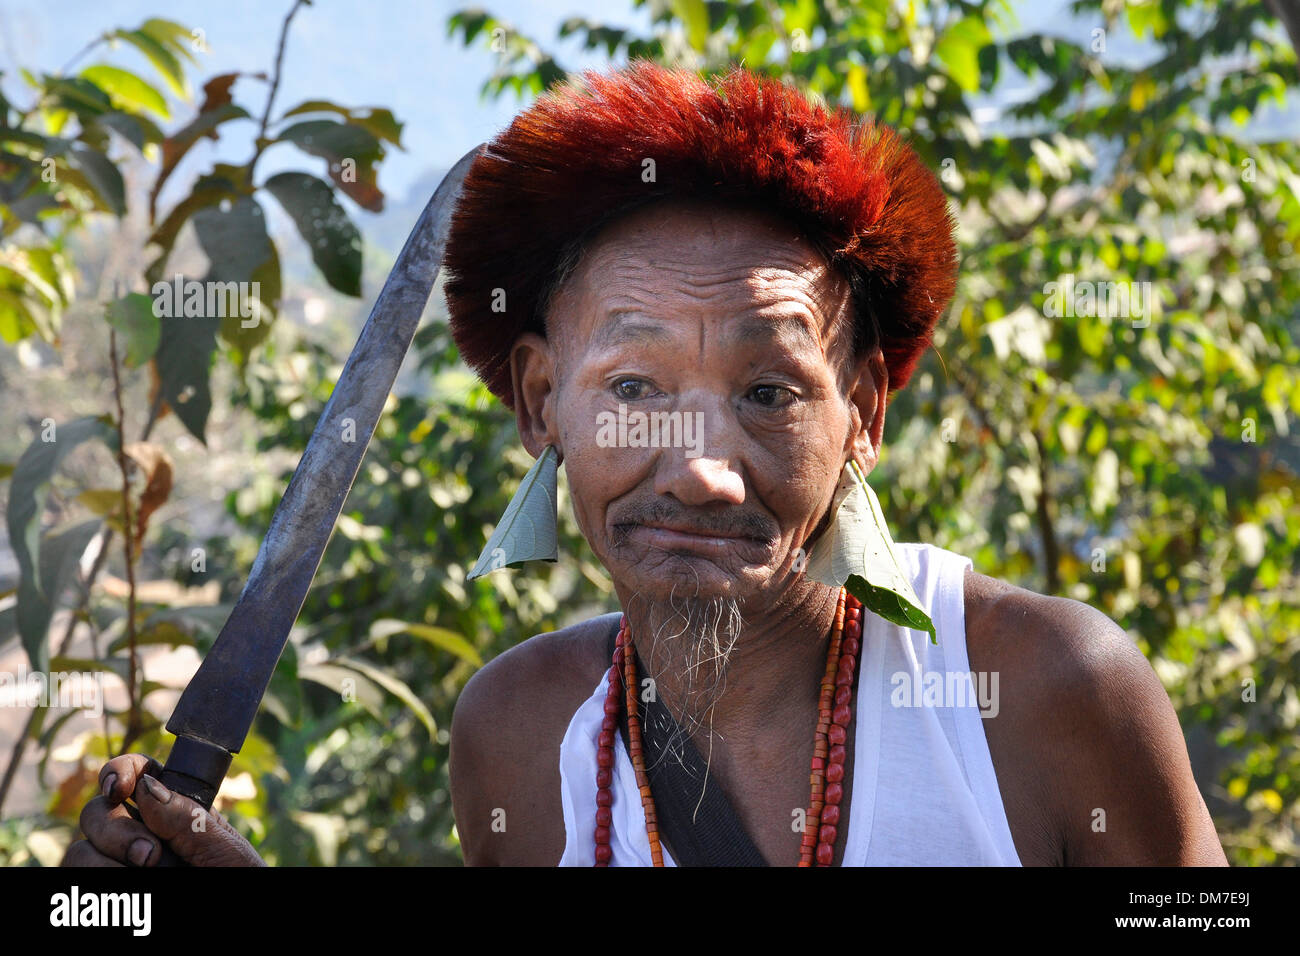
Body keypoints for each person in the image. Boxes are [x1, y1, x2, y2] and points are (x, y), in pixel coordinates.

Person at [66, 63, 1227, 867]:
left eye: (769, 392)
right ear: (540, 401)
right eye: (631, 389)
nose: (700, 472)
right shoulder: (518, 732)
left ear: (864, 412)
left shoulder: (1042, 690)